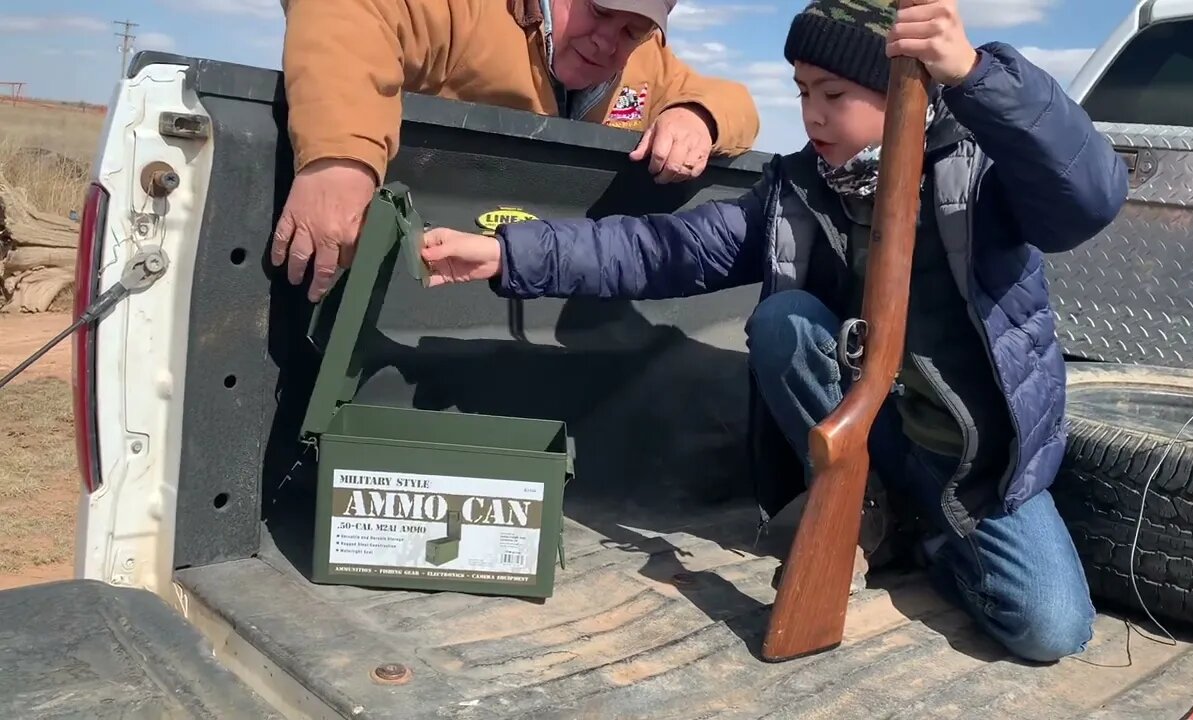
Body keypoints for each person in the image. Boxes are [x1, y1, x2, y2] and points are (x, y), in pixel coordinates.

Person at [415, 0, 1129, 663]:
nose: (812, 114)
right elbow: (663, 251)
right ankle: (865, 510)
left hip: (974, 470)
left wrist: (977, 74)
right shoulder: (796, 189)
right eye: (802, 91)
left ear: (906, 93)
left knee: (1048, 628)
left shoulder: (983, 173)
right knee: (784, 321)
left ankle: (922, 535)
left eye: (834, 95)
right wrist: (511, 252)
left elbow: (1089, 195)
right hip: (871, 446)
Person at [271, 0, 761, 302]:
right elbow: (347, 12)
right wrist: (340, 159)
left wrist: (697, 116)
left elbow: (736, 103)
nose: (607, 42)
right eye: (600, 11)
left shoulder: (644, 63)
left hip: (532, 293)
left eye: (632, 30)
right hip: (415, 283)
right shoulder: (468, 11)